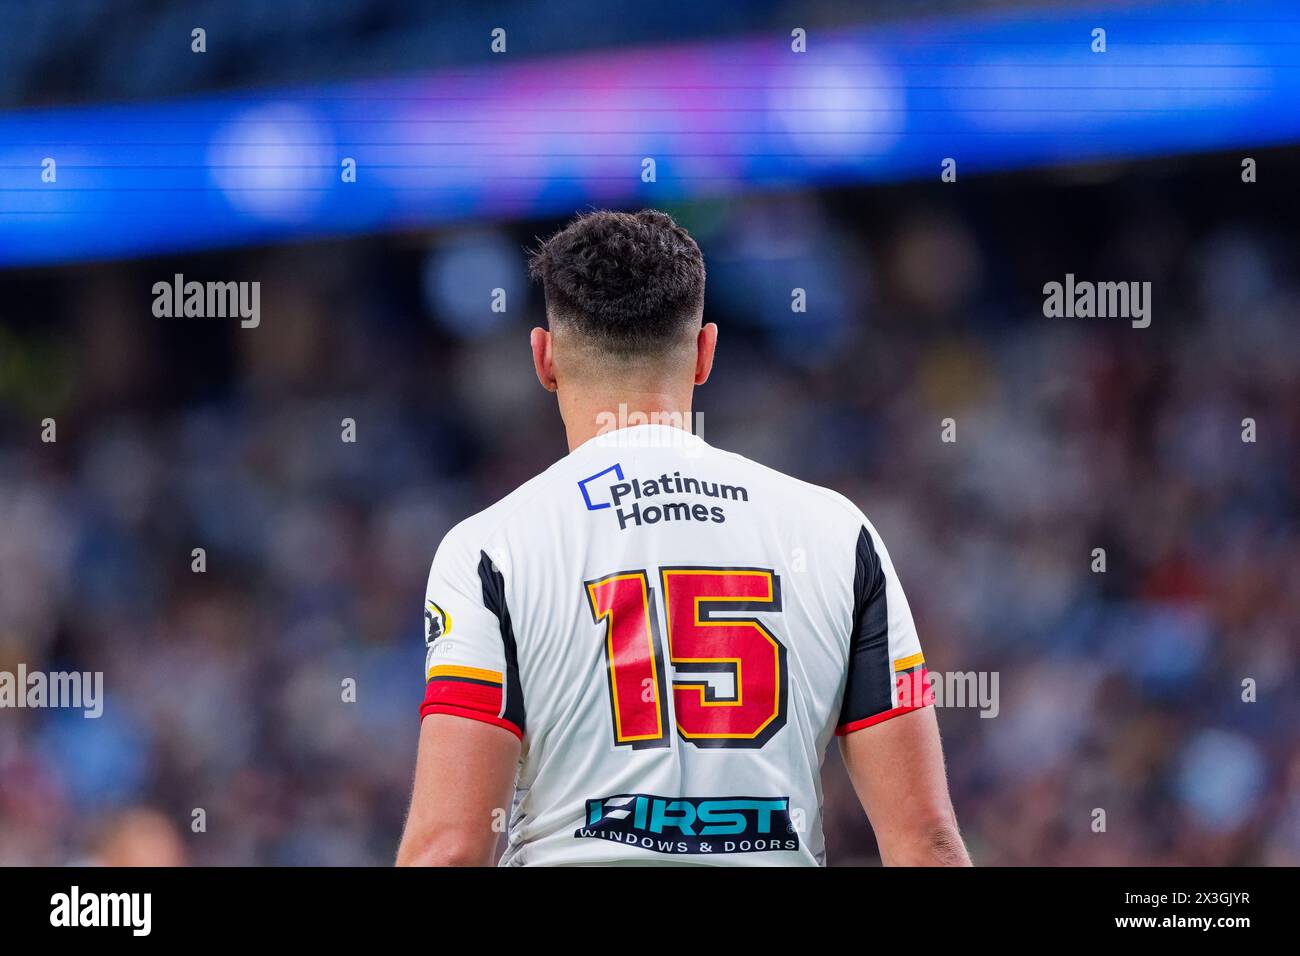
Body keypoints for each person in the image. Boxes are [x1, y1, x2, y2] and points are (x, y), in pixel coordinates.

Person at [397, 209, 969, 866]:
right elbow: (926, 841)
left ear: (544, 359)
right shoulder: (839, 532)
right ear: (705, 354)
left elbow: (446, 849)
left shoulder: (491, 549)